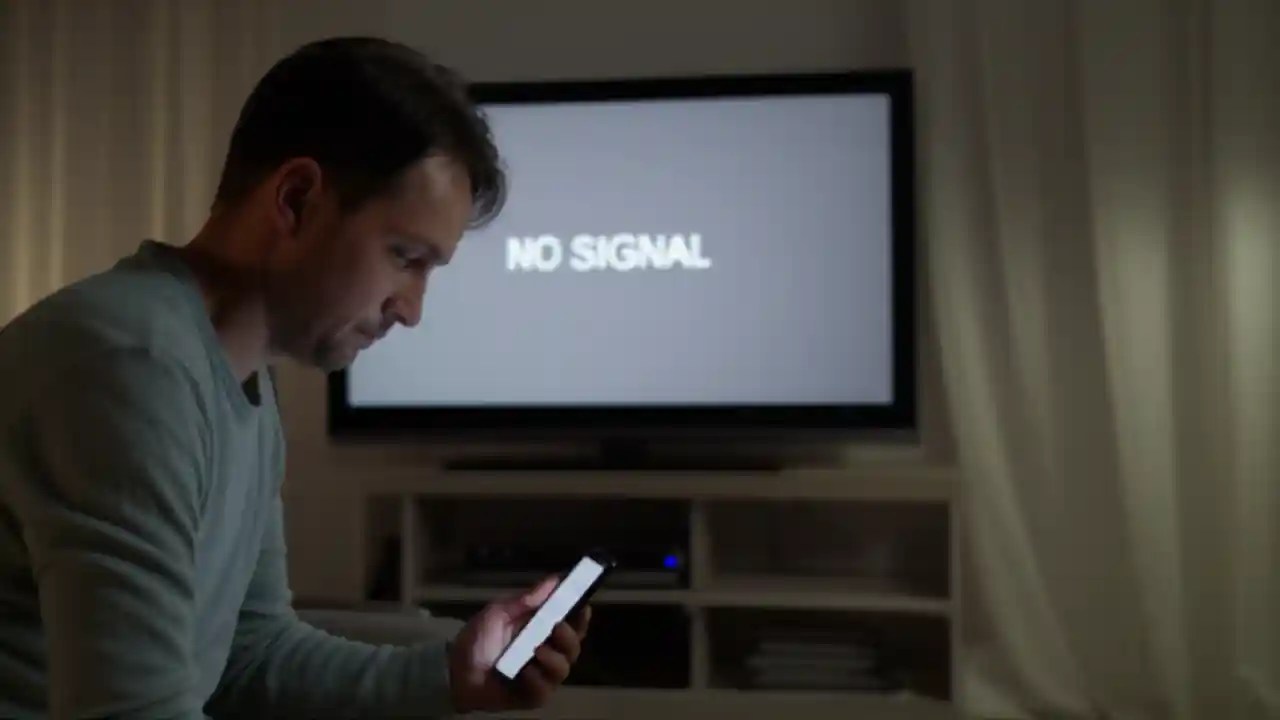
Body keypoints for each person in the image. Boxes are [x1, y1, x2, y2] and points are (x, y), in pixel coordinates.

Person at [0, 36, 590, 718]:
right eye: (405, 257)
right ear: (296, 199)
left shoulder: (232, 373)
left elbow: (247, 652)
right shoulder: (129, 367)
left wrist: (449, 677)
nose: (411, 309)